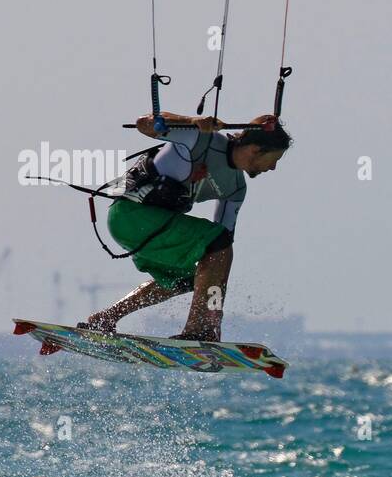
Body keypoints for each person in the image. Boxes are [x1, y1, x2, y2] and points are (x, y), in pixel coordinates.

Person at [81, 112, 291, 342]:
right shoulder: (200, 139)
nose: (272, 168)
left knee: (196, 278)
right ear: (256, 149)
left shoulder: (236, 189)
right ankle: (199, 329)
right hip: (131, 216)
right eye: (275, 160)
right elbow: (144, 124)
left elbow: (220, 253)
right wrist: (191, 122)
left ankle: (106, 318)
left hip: (151, 230)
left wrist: (213, 294)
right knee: (217, 248)